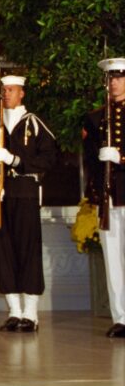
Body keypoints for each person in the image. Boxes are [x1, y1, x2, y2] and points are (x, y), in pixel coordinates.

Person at [0, 74, 57, 333]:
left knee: (28, 251)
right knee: (4, 252)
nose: (7, 94)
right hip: (0, 198)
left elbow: (48, 158)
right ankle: (14, 311)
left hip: (26, 194)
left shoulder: (33, 124)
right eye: (3, 90)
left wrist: (15, 162)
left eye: (12, 90)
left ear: (22, 93)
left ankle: (31, 313)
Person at [82, 58, 125, 338]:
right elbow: (89, 161)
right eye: (110, 78)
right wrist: (95, 195)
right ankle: (121, 316)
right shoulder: (95, 118)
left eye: (119, 77)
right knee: (113, 258)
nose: (113, 83)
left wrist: (121, 157)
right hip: (108, 196)